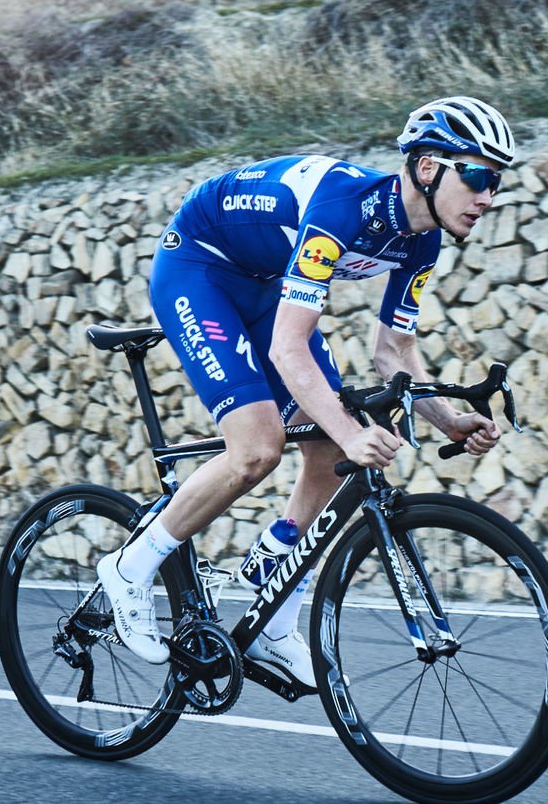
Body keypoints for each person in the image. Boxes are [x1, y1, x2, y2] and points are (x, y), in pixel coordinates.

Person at [98, 96, 515, 687]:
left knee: (330, 454)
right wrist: (352, 432)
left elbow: (393, 351)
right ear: (428, 168)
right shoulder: (344, 212)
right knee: (258, 448)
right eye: (476, 175)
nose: (487, 196)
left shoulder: (422, 239)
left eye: (495, 181)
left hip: (264, 280)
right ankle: (129, 567)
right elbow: (288, 350)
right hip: (199, 264)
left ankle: (272, 609)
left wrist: (447, 420)